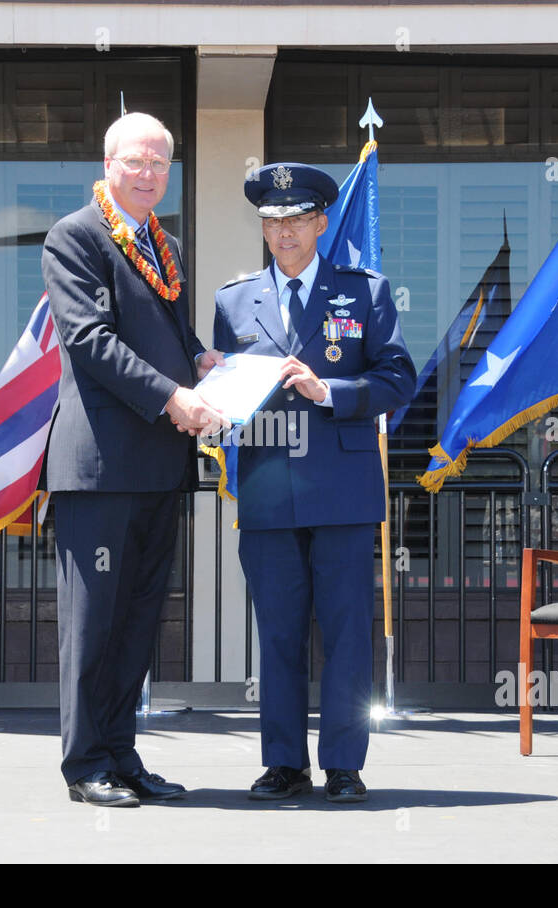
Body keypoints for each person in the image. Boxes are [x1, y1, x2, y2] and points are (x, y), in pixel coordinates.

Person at [211, 163, 416, 802]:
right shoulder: (233, 300)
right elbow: (228, 396)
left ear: (321, 222)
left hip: (344, 489)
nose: (284, 233)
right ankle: (283, 763)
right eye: (272, 221)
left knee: (348, 630)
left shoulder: (364, 291)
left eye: (297, 219)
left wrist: (330, 390)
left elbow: (398, 379)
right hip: (269, 488)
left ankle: (345, 765)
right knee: (277, 632)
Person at [41, 113, 225, 807]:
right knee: (93, 624)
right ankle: (84, 762)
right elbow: (91, 340)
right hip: (99, 469)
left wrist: (204, 359)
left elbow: (169, 332)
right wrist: (174, 395)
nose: (149, 173)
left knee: (139, 621)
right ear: (108, 160)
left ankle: (121, 752)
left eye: (160, 163)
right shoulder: (76, 237)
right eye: (136, 161)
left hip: (158, 466)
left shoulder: (162, 242)